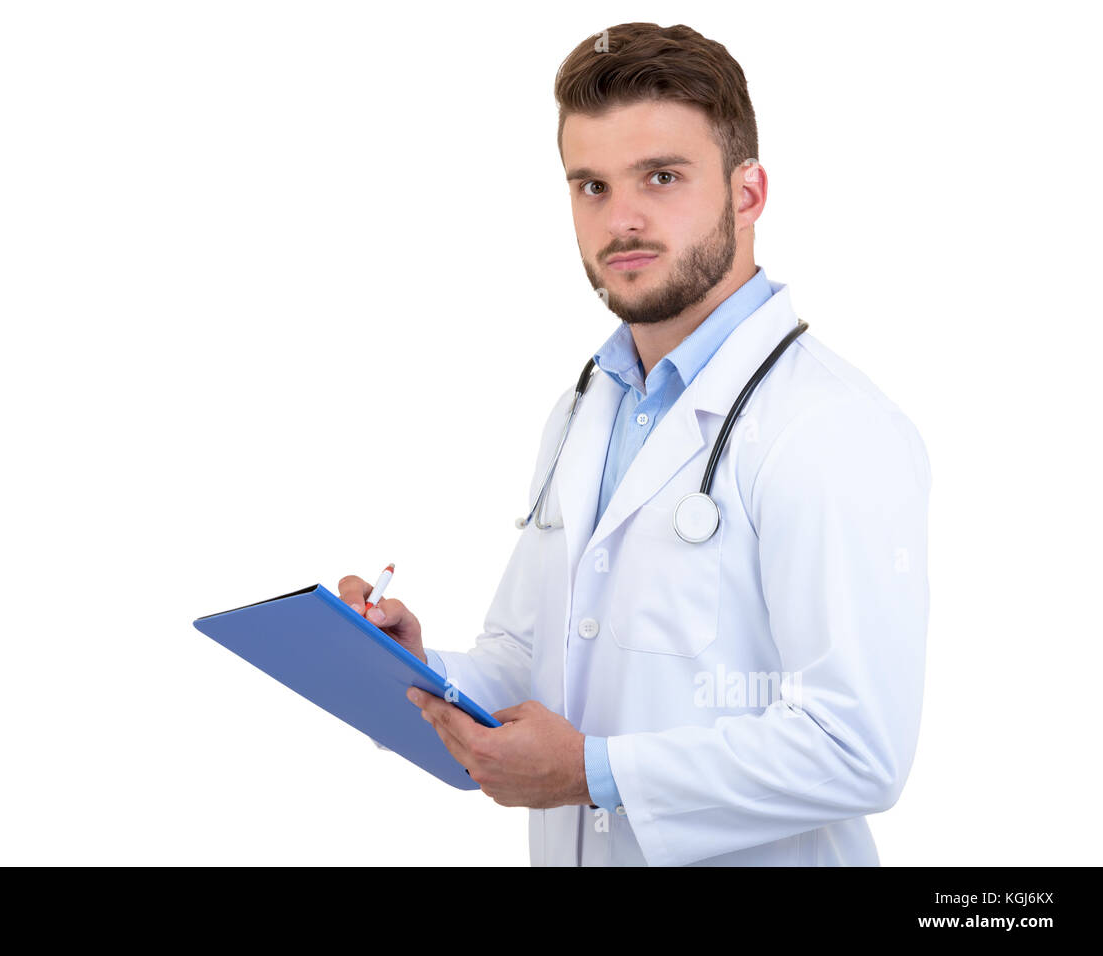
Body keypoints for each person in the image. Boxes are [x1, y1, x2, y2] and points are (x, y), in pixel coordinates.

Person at [338, 21, 930, 866]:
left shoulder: (832, 428)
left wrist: (593, 771)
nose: (623, 220)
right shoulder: (584, 409)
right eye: (591, 185)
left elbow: (857, 747)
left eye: (662, 177)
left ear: (749, 193)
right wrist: (421, 671)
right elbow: (528, 658)